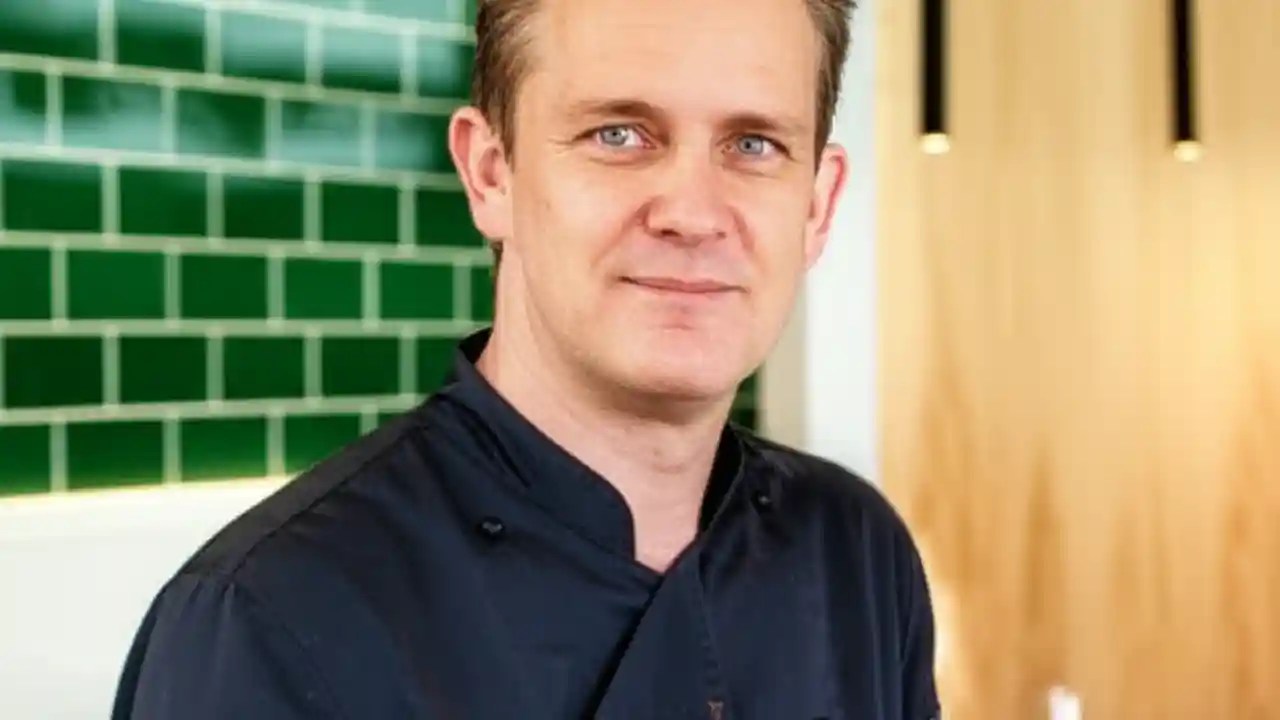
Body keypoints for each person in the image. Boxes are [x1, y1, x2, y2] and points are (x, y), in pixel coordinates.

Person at [112, 0, 940, 717]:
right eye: (620, 134)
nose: (693, 213)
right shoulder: (270, 617)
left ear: (819, 204)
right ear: (490, 172)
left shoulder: (855, 551)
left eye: (754, 145)